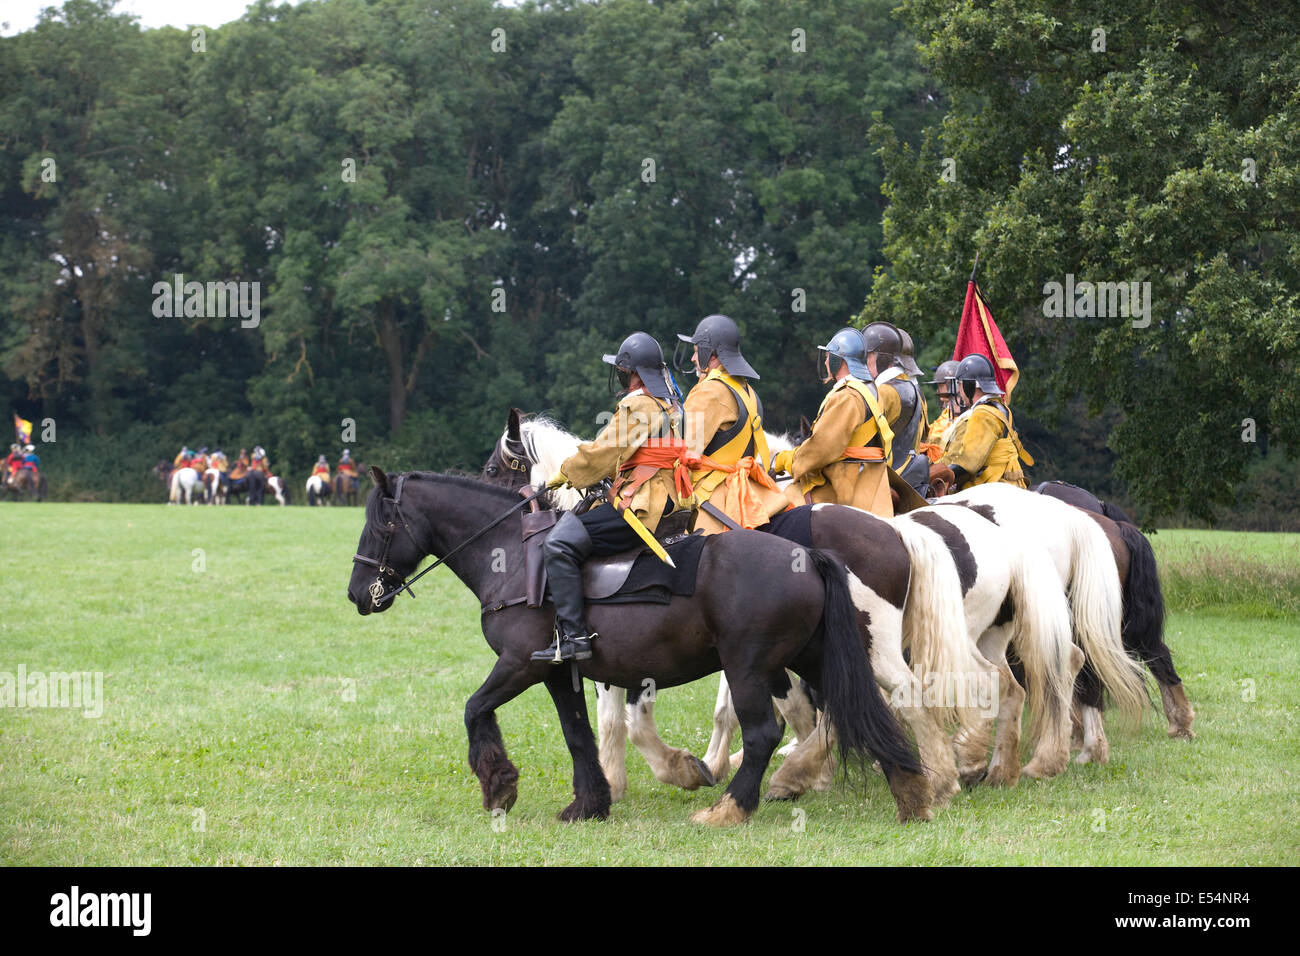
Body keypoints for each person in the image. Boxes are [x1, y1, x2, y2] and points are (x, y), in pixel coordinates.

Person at [537, 332, 690, 663]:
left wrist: (565, 472)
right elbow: (640, 455)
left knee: (557, 544)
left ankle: (573, 637)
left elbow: (602, 453)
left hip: (642, 505)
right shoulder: (672, 405)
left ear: (631, 372)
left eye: (623, 370)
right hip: (672, 501)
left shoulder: (637, 404)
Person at [674, 314, 786, 533]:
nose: (693, 359)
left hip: (714, 498)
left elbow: (682, 450)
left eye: (696, 352)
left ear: (711, 354)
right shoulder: (748, 391)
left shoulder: (710, 391)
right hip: (749, 490)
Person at [771, 327, 894, 517]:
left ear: (840, 360)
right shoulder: (870, 389)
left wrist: (782, 460)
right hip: (870, 483)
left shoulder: (846, 396)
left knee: (777, 514)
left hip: (843, 486)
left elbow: (820, 449)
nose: (827, 361)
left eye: (830, 356)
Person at [930, 353, 1034, 494]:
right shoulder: (1001, 407)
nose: (959, 391)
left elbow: (968, 464)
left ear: (970, 385)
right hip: (1008, 482)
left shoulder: (983, 414)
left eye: (960, 384)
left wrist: (934, 478)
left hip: (993, 485)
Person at [864, 322, 930, 495]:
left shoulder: (885, 391)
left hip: (889, 478)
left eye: (868, 356)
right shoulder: (913, 388)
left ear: (883, 358)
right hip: (909, 474)